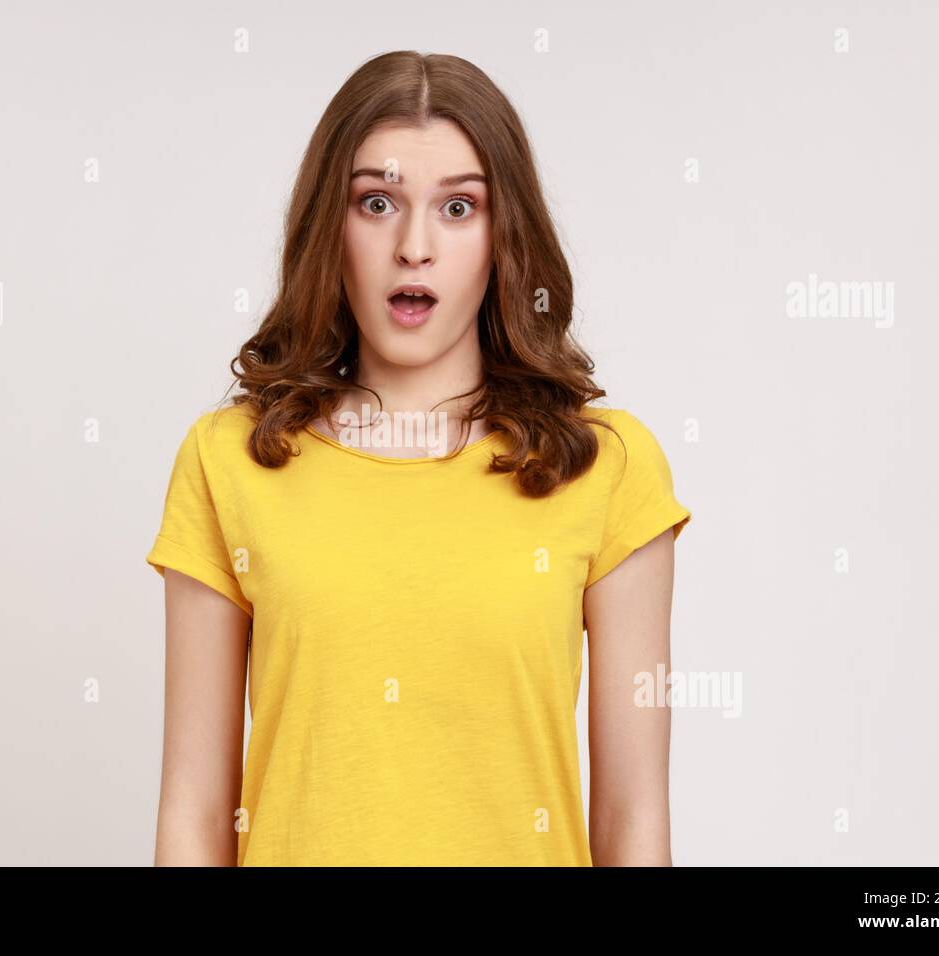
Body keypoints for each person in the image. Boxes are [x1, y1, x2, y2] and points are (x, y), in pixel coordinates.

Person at [147, 51, 691, 866]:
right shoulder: (228, 462)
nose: (414, 246)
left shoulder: (606, 467)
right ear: (330, 229)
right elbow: (194, 812)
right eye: (377, 201)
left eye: (459, 208)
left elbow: (632, 818)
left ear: (505, 235)